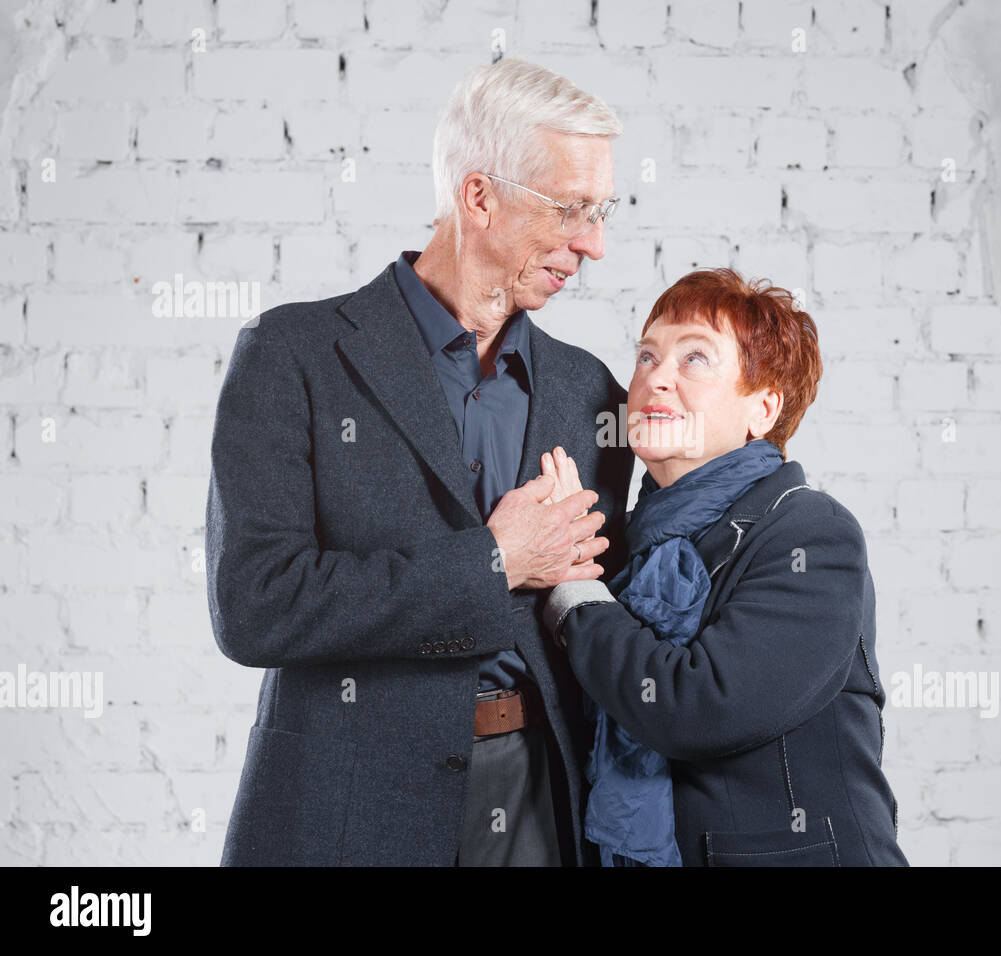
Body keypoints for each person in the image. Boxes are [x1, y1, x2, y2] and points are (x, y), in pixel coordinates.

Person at [207, 57, 634, 866]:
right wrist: (496, 559)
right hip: (348, 804)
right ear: (479, 197)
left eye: (604, 210)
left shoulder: (592, 393)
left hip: (546, 800)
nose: (595, 244)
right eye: (573, 209)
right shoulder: (293, 357)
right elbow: (255, 604)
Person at [539, 267, 908, 866]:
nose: (656, 379)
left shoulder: (809, 533)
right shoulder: (628, 548)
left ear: (762, 409)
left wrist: (574, 593)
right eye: (647, 356)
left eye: (695, 360)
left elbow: (700, 706)